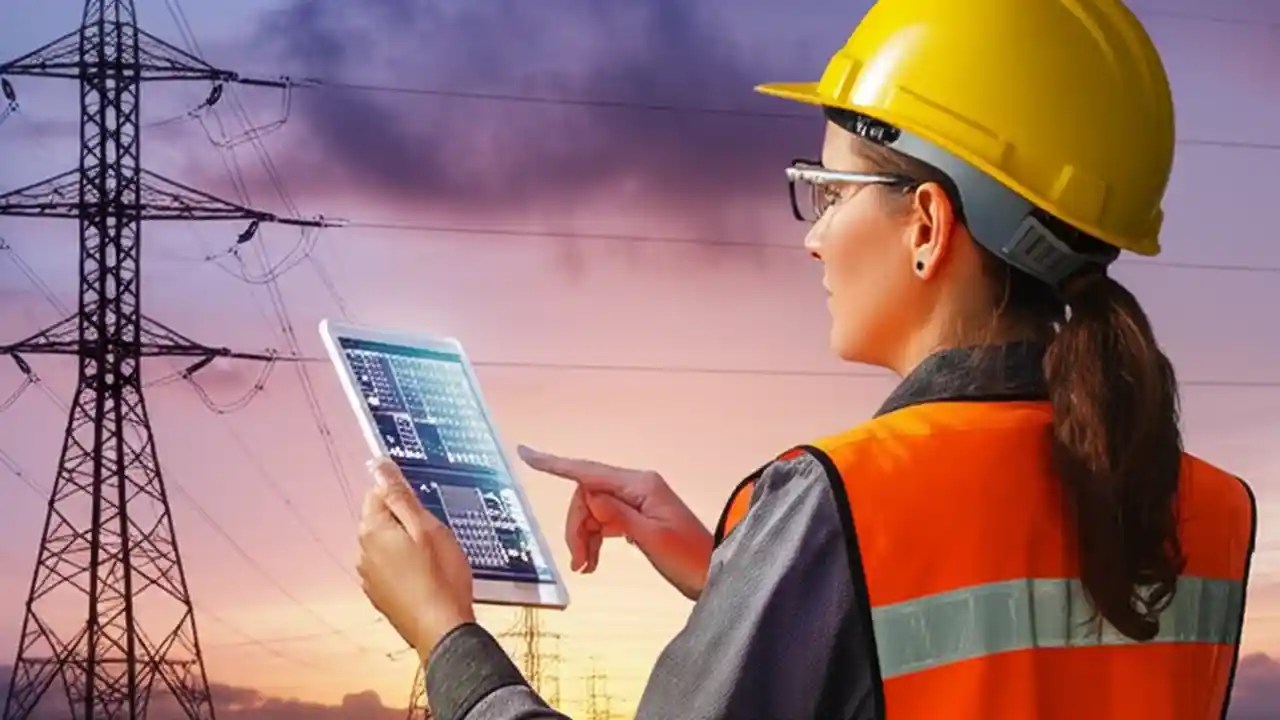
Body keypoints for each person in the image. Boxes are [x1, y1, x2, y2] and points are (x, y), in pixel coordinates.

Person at [355, 0, 1257, 717]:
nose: (813, 238)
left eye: (828, 192)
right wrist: (742, 579)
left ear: (927, 225)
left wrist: (447, 641)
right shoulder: (1201, 504)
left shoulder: (838, 502)